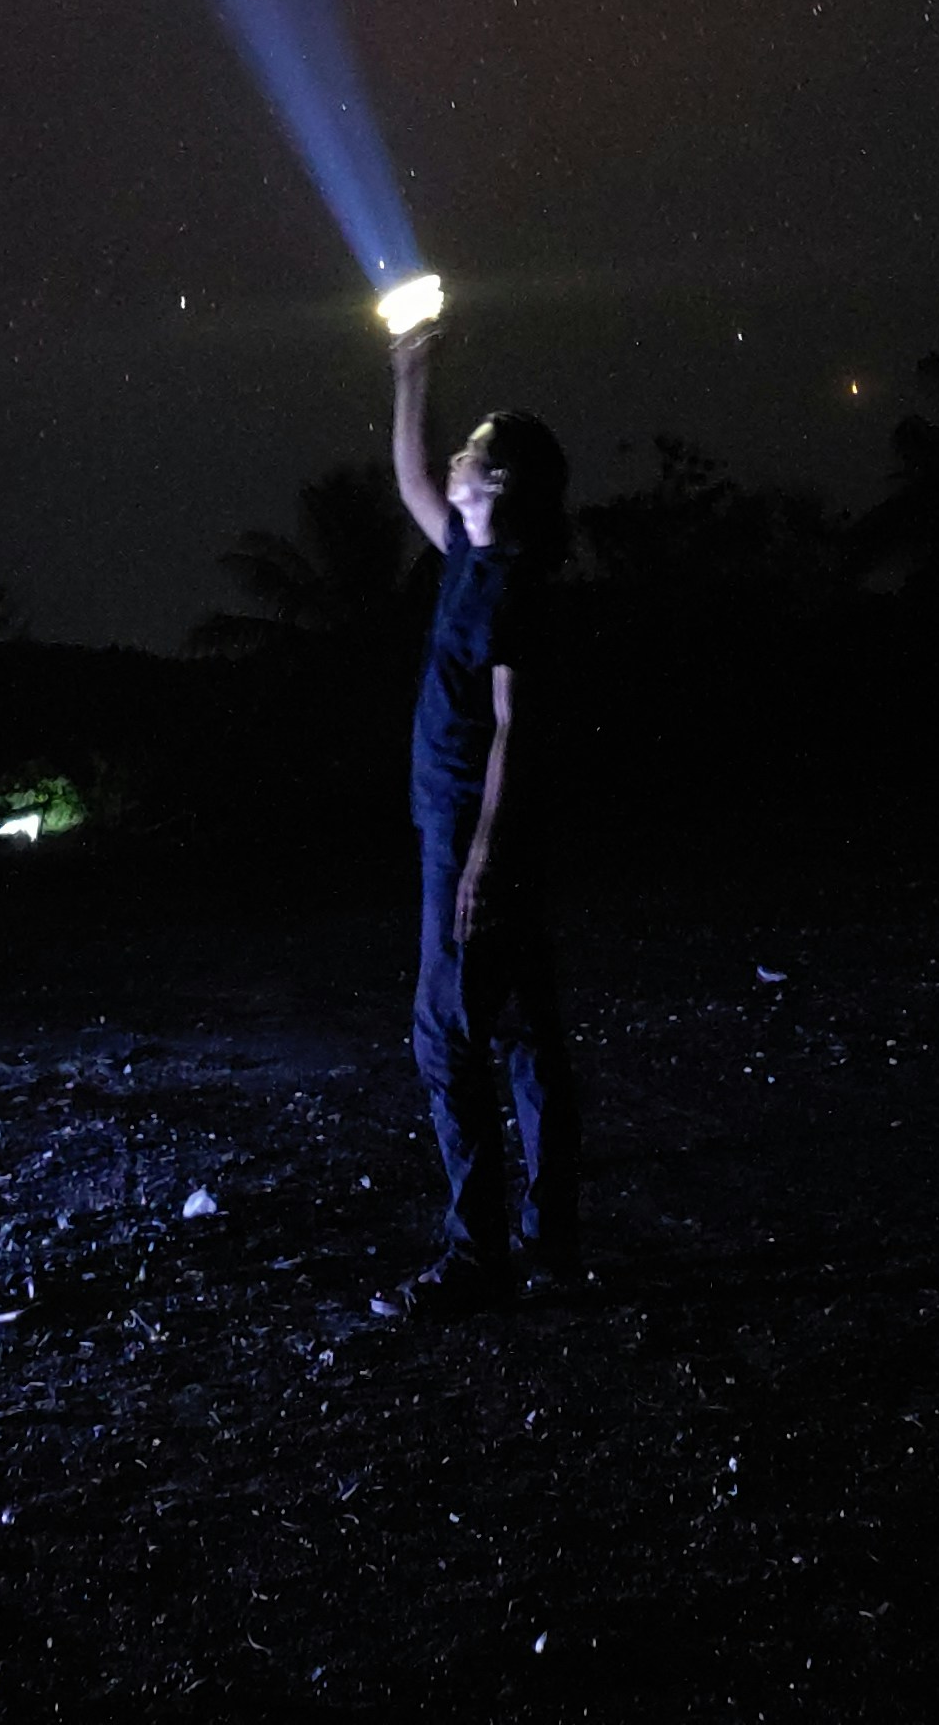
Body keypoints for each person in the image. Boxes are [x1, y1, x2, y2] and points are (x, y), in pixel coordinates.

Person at [374, 309, 581, 1318]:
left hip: (472, 829)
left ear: (496, 482)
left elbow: (514, 731)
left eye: (472, 450)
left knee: (447, 1038)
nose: (455, 459)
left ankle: (478, 1259)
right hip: (471, 828)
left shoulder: (514, 588)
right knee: (529, 1030)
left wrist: (482, 858)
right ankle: (551, 1242)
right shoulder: (467, 550)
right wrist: (411, 374)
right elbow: (413, 478)